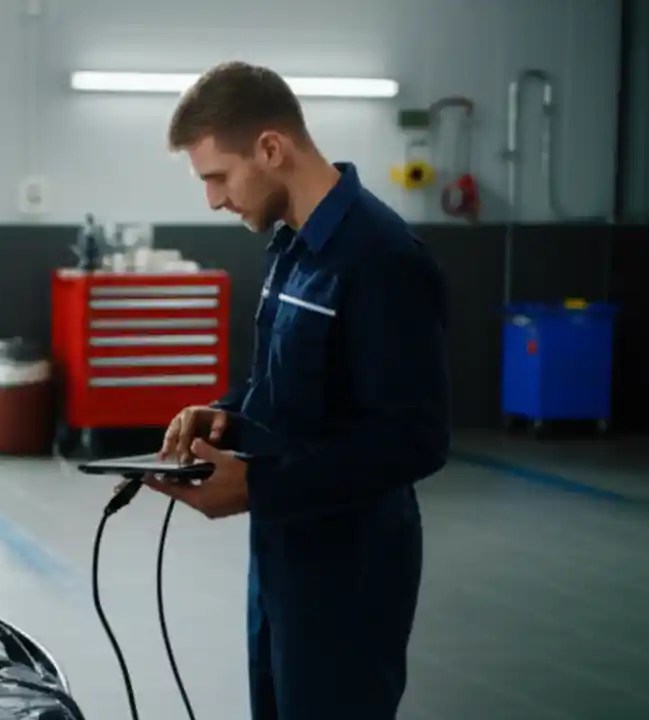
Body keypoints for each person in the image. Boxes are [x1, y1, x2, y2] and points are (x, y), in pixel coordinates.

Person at [145, 61, 451, 719]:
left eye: (217, 177)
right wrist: (225, 415)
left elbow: (414, 439)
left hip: (352, 568)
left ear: (271, 149)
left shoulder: (381, 256)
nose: (214, 200)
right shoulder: (291, 249)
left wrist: (258, 487)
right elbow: (281, 385)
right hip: (284, 555)